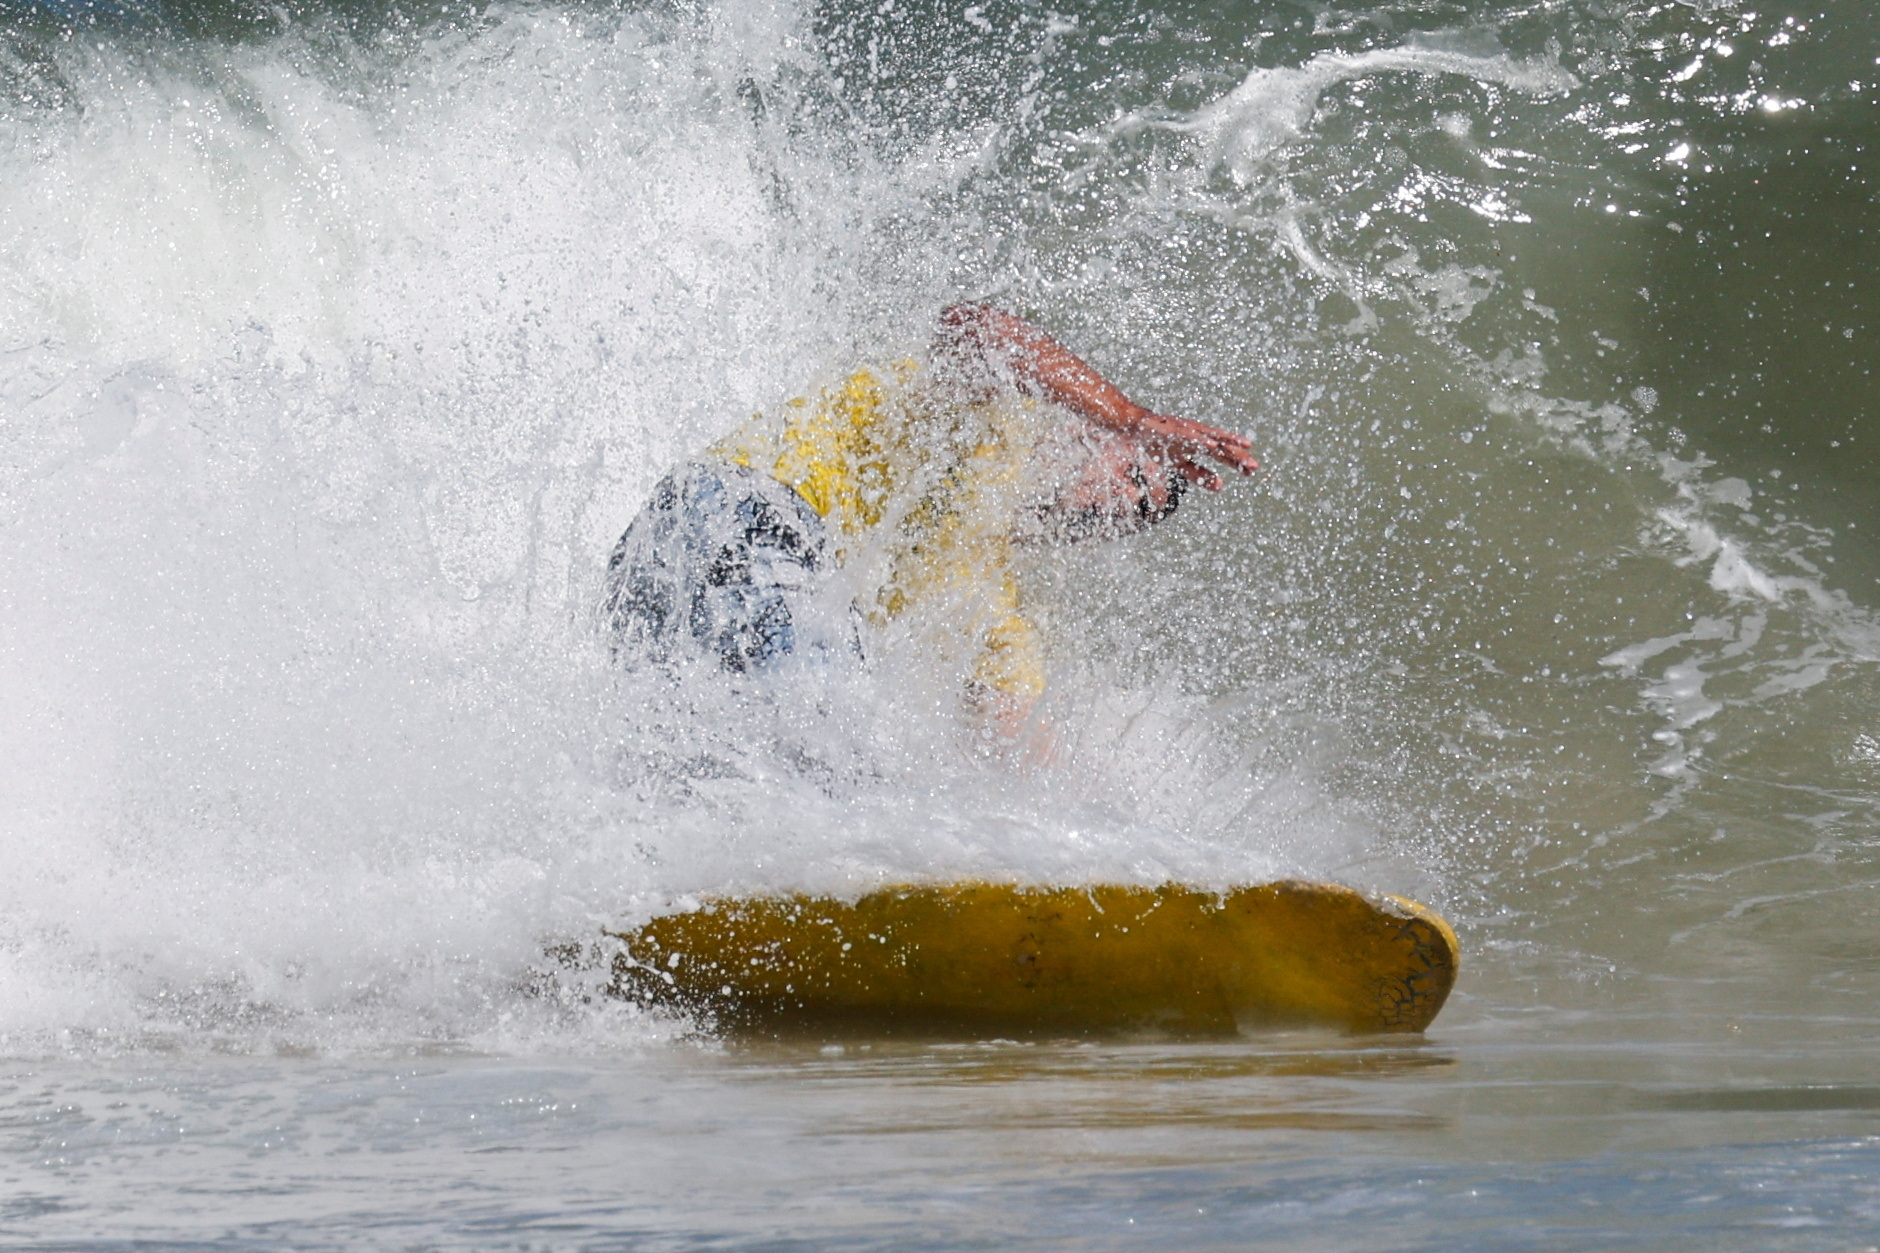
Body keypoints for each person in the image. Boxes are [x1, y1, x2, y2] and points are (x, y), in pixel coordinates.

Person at [601, 303, 1258, 734]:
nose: (1118, 506)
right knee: (832, 743)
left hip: (652, 586)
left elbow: (1019, 749)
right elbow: (972, 326)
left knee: (713, 786)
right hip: (737, 509)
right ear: (1085, 434)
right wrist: (1133, 417)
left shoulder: (980, 596)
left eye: (1137, 515)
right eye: (1133, 473)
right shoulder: (992, 416)